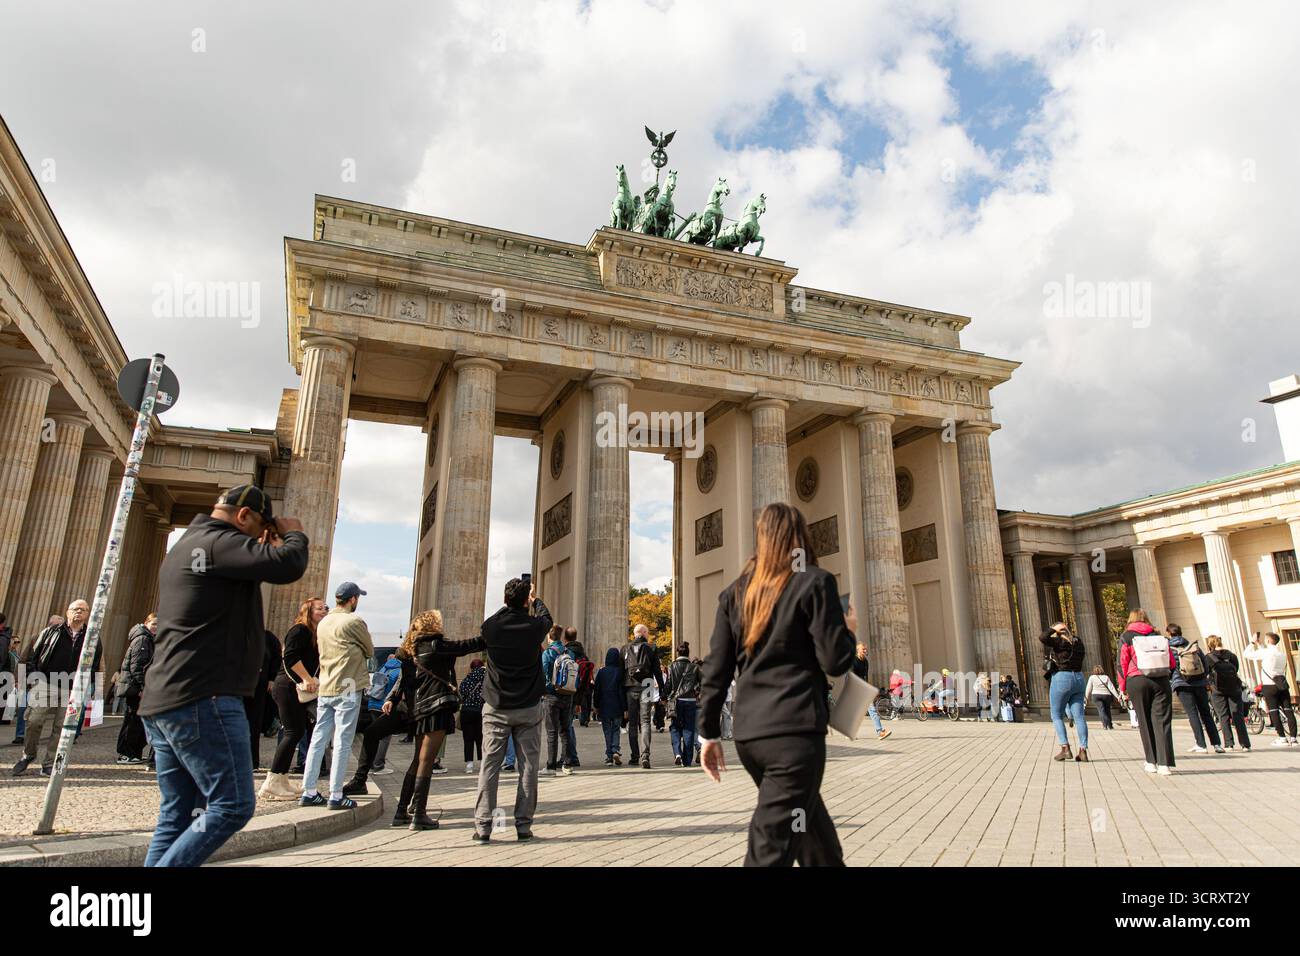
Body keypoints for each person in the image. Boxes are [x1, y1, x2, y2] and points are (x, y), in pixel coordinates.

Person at [139, 485, 308, 867]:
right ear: (244, 515)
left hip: (168, 699)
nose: (264, 539)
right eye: (262, 528)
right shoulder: (218, 542)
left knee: (179, 815)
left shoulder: (189, 545)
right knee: (232, 805)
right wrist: (294, 533)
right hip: (204, 695)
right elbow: (288, 564)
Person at [699, 503, 856, 867]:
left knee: (817, 845)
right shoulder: (815, 581)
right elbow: (835, 661)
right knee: (768, 852)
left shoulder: (734, 594)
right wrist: (846, 632)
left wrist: (708, 735)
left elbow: (715, 671)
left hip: (752, 738)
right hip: (795, 738)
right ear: (799, 537)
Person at [469, 578, 553, 843]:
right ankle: (524, 825)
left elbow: (489, 623)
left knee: (490, 767)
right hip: (528, 708)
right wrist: (534, 599)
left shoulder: (492, 627)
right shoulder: (535, 627)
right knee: (528, 767)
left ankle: (483, 826)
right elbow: (546, 616)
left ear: (505, 600)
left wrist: (511, 603)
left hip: (496, 708)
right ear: (526, 600)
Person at [393, 610, 482, 830]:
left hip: (419, 711)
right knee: (427, 761)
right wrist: (493, 634)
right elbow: (466, 646)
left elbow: (406, 685)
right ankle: (419, 814)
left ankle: (401, 811)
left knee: (418, 759)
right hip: (436, 708)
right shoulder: (436, 645)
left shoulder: (409, 651)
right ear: (433, 625)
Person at [299, 582, 373, 810]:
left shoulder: (324, 622)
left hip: (327, 686)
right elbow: (369, 650)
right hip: (348, 685)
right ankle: (336, 794)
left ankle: (309, 791)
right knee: (342, 741)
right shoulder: (354, 621)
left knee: (319, 738)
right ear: (353, 599)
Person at [12, 599, 98, 777]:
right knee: (34, 721)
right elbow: (32, 656)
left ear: (87, 614)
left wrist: (87, 686)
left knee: (62, 726)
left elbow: (95, 664)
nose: (78, 612)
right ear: (67, 612)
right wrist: (33, 677)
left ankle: (49, 763)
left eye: (82, 610)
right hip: (45, 683)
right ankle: (28, 755)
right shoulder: (51, 632)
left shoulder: (91, 636)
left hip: (71, 688)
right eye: (75, 609)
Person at [260, 598, 324, 800]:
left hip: (295, 686)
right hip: (287, 686)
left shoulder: (313, 633)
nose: (324, 610)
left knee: (297, 732)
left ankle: (281, 778)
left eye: (326, 608)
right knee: (292, 732)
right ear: (308, 611)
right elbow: (290, 657)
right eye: (319, 608)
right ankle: (271, 783)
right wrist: (306, 678)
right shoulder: (300, 630)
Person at [1118, 609, 1177, 774]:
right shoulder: (1159, 636)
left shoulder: (1126, 637)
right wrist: (1166, 677)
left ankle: (1151, 761)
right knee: (1162, 721)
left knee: (1143, 721)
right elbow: (1171, 662)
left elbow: (1122, 664)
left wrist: (1123, 688)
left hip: (1137, 680)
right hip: (1160, 679)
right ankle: (1164, 764)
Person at [1167, 624, 1223, 754]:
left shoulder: (1169, 648)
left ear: (1169, 634)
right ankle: (1217, 744)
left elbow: (1169, 666)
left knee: (1193, 714)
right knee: (1206, 713)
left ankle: (1201, 744)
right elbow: (1205, 664)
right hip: (1199, 683)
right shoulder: (1193, 646)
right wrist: (1203, 678)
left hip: (1182, 684)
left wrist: (1172, 680)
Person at [1039, 621, 1088, 761]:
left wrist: (1054, 628)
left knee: (1056, 715)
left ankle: (1065, 748)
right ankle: (1083, 750)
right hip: (1079, 678)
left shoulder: (1059, 642)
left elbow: (1043, 638)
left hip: (1062, 678)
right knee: (1079, 717)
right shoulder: (1078, 642)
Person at [115, 614, 157, 764]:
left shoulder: (149, 639)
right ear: (146, 623)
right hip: (136, 689)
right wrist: (142, 687)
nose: (156, 627)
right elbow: (138, 666)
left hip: (140, 687)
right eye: (154, 624)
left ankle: (135, 753)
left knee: (138, 722)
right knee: (132, 721)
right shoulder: (143, 639)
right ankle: (126, 753)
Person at [844, 603, 889, 741]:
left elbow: (864, 676)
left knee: (870, 710)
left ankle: (880, 732)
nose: (865, 651)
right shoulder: (853, 661)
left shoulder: (866, 662)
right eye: (862, 649)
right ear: (857, 651)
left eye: (865, 649)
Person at [1244, 632, 1297, 746]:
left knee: (1274, 712)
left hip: (1269, 685)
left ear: (1268, 641)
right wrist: (1260, 645)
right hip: (1282, 685)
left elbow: (1247, 654)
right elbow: (1267, 655)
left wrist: (1253, 642)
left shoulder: (1266, 652)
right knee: (1288, 710)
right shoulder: (1281, 654)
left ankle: (1282, 738)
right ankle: (1293, 738)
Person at [622, 623, 664, 768]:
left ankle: (634, 757)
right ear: (644, 633)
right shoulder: (651, 648)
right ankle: (645, 755)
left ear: (635, 634)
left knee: (633, 723)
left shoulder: (625, 648)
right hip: (646, 684)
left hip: (630, 686)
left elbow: (622, 672)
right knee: (645, 721)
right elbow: (657, 671)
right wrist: (663, 690)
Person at [540, 625, 579, 775]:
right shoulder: (569, 652)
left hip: (552, 696)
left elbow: (544, 676)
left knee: (552, 732)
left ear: (549, 637)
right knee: (566, 729)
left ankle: (551, 766)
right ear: (561, 637)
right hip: (568, 694)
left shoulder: (548, 653)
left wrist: (548, 690)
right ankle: (567, 764)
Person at [1203, 635, 1250, 752]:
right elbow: (1236, 669)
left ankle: (1229, 744)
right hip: (1234, 687)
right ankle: (1245, 744)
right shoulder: (1231, 655)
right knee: (1238, 715)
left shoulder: (1208, 657)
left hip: (1217, 689)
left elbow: (1205, 672)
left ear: (1209, 645)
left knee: (1223, 716)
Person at [665, 641, 703, 766]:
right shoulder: (695, 667)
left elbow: (669, 684)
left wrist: (663, 697)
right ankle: (687, 760)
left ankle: (677, 753)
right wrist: (697, 693)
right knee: (689, 729)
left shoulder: (671, 666)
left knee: (675, 728)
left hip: (676, 702)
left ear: (677, 652)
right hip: (690, 701)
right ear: (688, 653)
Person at [366, 652, 402, 773]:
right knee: (385, 736)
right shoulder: (399, 671)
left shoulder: (383, 667)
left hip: (372, 703)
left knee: (374, 735)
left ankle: (370, 764)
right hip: (385, 705)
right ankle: (378, 765)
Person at [593, 646, 625, 765]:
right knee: (616, 729)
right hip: (617, 705)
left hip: (604, 706)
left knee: (607, 731)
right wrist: (625, 707)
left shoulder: (601, 672)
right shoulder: (620, 672)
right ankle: (615, 749)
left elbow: (597, 690)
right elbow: (621, 691)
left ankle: (609, 756)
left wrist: (596, 705)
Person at [459, 658, 486, 773]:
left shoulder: (466, 680)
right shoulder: (485, 679)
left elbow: (461, 693)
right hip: (480, 711)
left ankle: (469, 765)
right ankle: (481, 762)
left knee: (468, 739)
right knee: (480, 738)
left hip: (466, 711)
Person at [1083, 666, 1121, 730]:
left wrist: (1086, 697)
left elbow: (1088, 688)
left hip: (1096, 695)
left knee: (1101, 710)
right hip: (1106, 695)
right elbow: (1111, 688)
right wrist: (1117, 696)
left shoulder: (1092, 677)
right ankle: (1110, 725)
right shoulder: (1106, 677)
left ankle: (1104, 725)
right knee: (1107, 710)